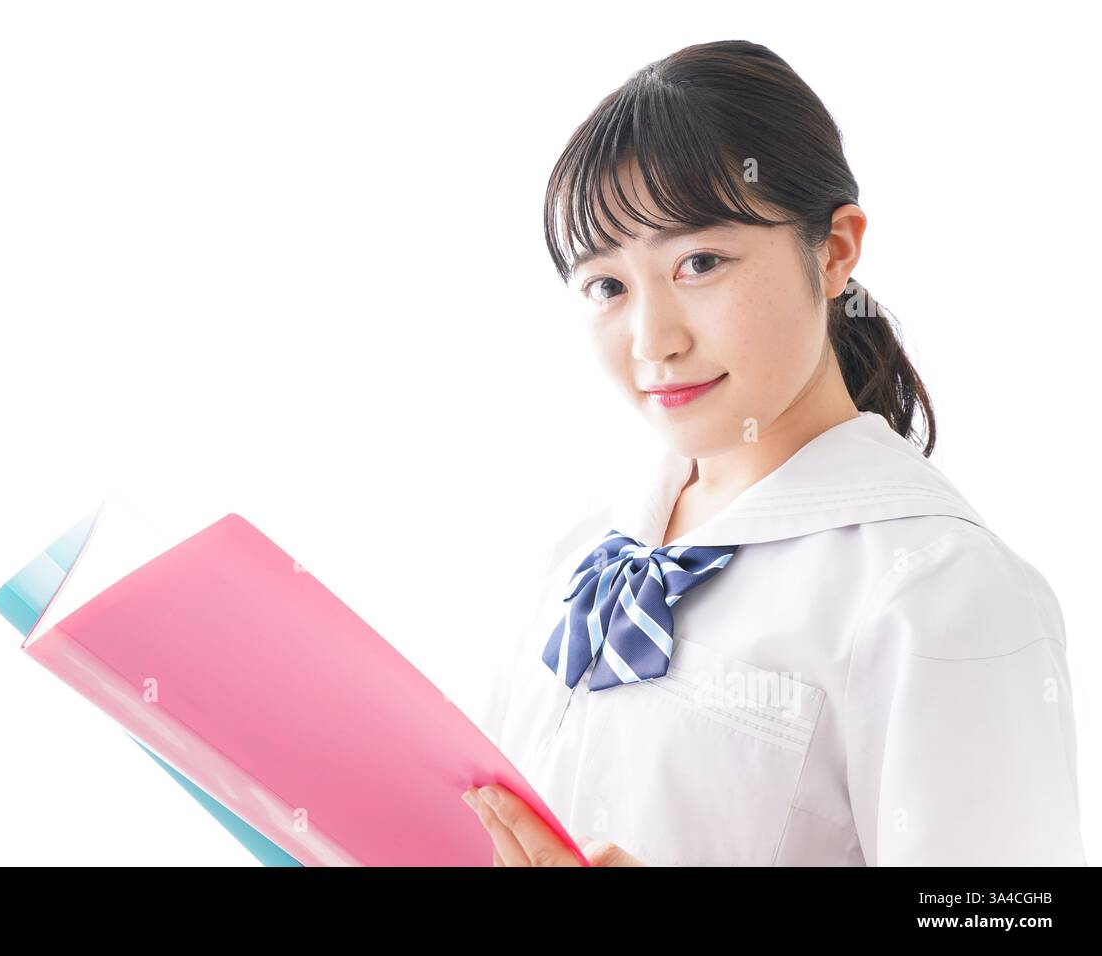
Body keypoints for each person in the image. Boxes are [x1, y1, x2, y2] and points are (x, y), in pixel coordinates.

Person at [460, 40, 1087, 867]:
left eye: (700, 262)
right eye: (608, 286)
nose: (655, 342)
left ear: (833, 252)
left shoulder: (938, 589)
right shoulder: (582, 555)